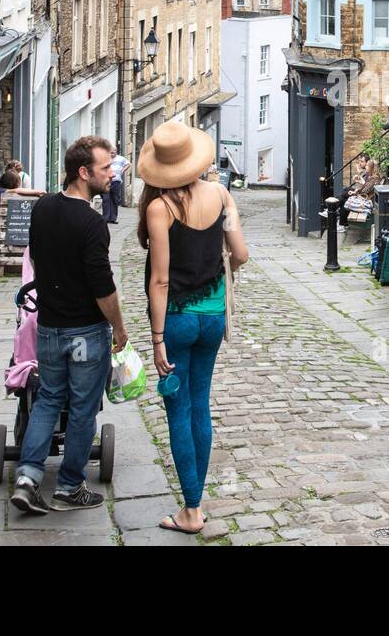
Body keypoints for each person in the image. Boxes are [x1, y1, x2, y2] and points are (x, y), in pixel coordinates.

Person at [138, 121, 248, 535]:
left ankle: (190, 510)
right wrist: (214, 272)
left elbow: (161, 281)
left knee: (177, 409)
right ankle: (195, 502)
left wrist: (157, 338)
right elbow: (240, 254)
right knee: (200, 404)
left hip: (178, 321)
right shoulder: (221, 195)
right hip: (213, 318)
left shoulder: (159, 208)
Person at [11, 136, 129, 516]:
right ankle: (68, 486)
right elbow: (103, 288)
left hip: (48, 327)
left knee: (47, 398)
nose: (112, 174)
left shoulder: (43, 209)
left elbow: (40, 262)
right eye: (105, 168)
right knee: (81, 409)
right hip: (85, 333)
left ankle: (28, 478)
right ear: (83, 173)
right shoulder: (93, 224)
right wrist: (120, 328)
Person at [0, 170, 43, 244]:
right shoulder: (2, 191)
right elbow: (17, 190)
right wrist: (38, 192)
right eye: (17, 183)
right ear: (12, 183)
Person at [103, 145, 130, 224]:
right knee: (106, 200)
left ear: (116, 151)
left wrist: (122, 171)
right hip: (106, 181)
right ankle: (105, 218)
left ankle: (113, 218)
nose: (112, 154)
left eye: (114, 152)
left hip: (116, 182)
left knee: (115, 200)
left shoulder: (121, 158)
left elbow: (128, 164)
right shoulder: (105, 158)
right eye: (111, 152)